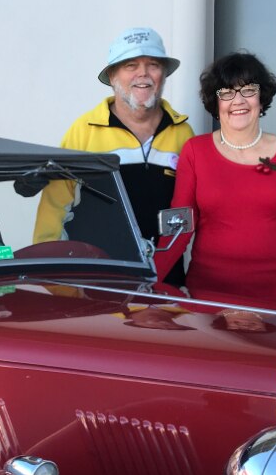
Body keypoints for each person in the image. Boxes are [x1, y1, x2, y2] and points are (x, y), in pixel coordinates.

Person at [32, 27, 194, 285]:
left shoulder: (183, 133)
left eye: (153, 64)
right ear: (112, 75)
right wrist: (50, 274)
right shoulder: (83, 131)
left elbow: (187, 214)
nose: (143, 73)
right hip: (98, 283)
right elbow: (54, 208)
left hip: (165, 283)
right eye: (131, 65)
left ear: (163, 75)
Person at [161, 52, 276, 306]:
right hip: (208, 300)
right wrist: (150, 281)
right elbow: (179, 227)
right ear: (216, 101)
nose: (238, 100)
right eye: (226, 92)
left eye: (248, 89)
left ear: (261, 96)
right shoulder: (195, 151)